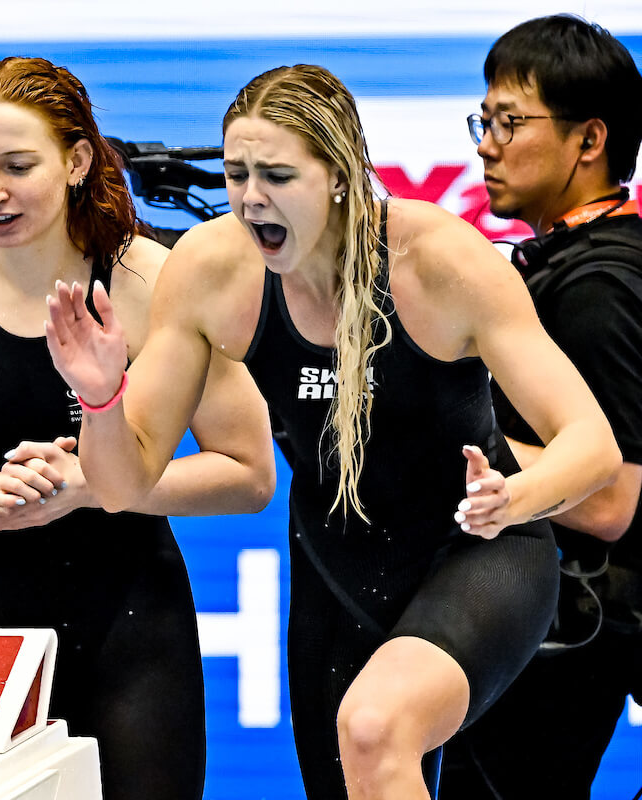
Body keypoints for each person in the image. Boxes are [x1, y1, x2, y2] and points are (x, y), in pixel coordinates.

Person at [42, 63, 621, 800]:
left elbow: (592, 443)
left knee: (376, 726)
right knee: (354, 767)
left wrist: (518, 493)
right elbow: (125, 485)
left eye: (278, 175)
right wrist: (101, 399)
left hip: (476, 551)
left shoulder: (438, 262)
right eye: (237, 173)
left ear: (340, 175)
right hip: (335, 568)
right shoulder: (214, 271)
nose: (251, 200)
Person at [0, 57, 276, 800]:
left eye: (17, 166)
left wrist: (92, 486)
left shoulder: (155, 282)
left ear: (76, 161)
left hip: (137, 612)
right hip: (7, 612)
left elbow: (248, 472)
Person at [440, 16, 642, 799]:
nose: (486, 143)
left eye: (509, 122)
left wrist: (444, 442)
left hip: (579, 629)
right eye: (483, 121)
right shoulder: (561, 268)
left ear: (589, 141)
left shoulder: (597, 287)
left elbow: (613, 497)